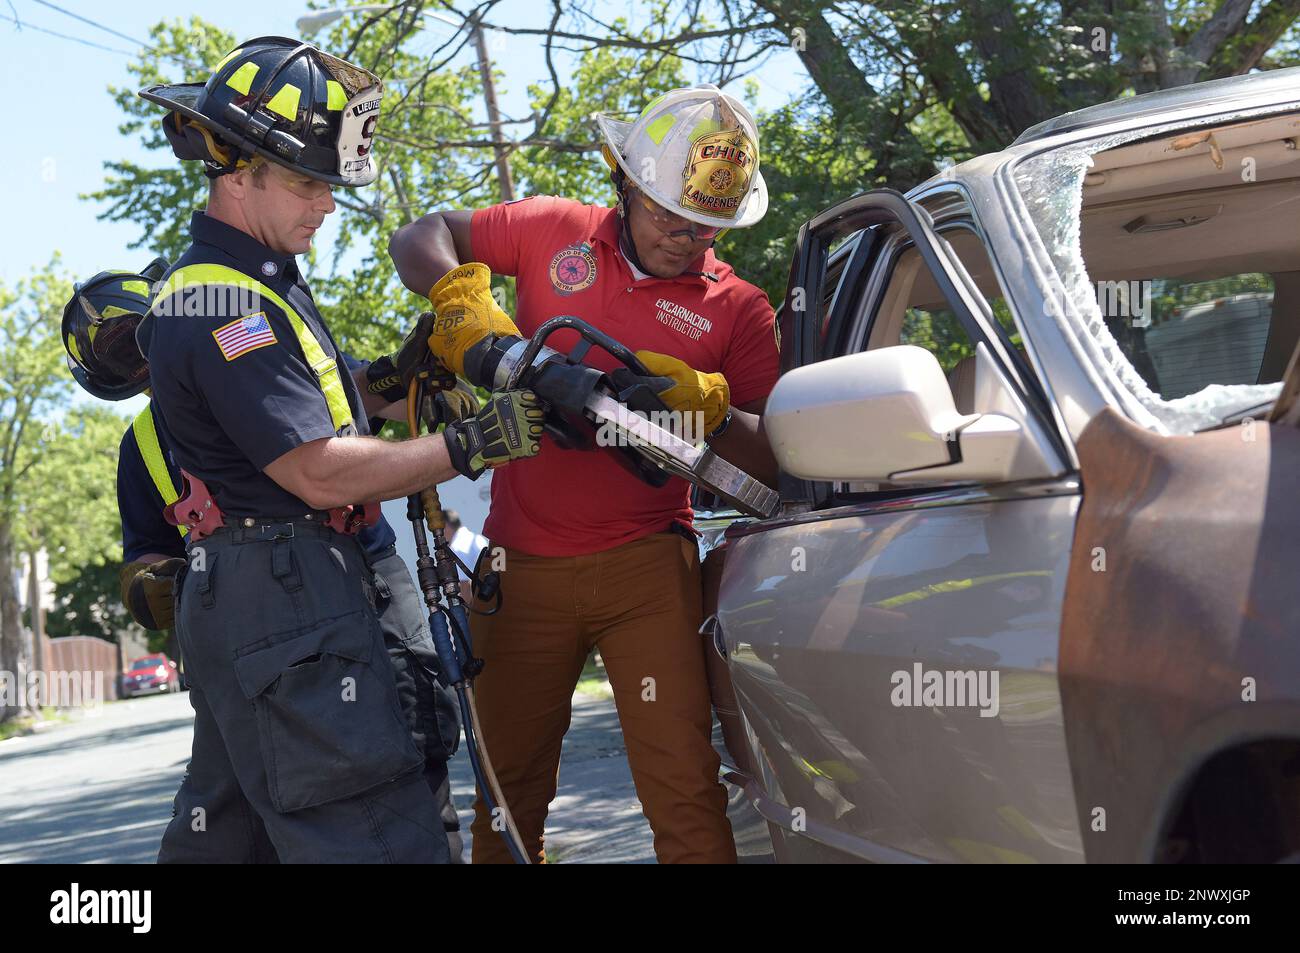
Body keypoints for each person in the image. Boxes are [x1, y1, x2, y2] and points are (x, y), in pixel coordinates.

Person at [136, 35, 543, 863]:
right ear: (239, 170)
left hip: (258, 602)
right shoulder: (223, 304)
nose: (326, 203)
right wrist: (468, 443)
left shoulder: (260, 279)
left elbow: (313, 403)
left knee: (228, 841)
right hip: (288, 596)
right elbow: (315, 468)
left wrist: (398, 377)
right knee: (372, 838)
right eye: (308, 181)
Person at [388, 84, 780, 863]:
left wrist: (705, 405)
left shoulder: (739, 307)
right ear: (627, 185)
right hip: (518, 566)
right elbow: (421, 232)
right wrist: (465, 310)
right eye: (669, 213)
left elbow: (773, 456)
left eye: (706, 225)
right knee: (507, 798)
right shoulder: (552, 232)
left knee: (684, 789)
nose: (685, 236)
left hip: (650, 568)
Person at [60, 263, 470, 862]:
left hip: (365, 572)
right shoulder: (142, 445)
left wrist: (398, 378)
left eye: (135, 335)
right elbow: (144, 547)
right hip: (251, 620)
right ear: (113, 376)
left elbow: (338, 403)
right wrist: (151, 582)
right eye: (121, 352)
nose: (139, 357)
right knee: (246, 788)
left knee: (409, 739)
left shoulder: (252, 340)